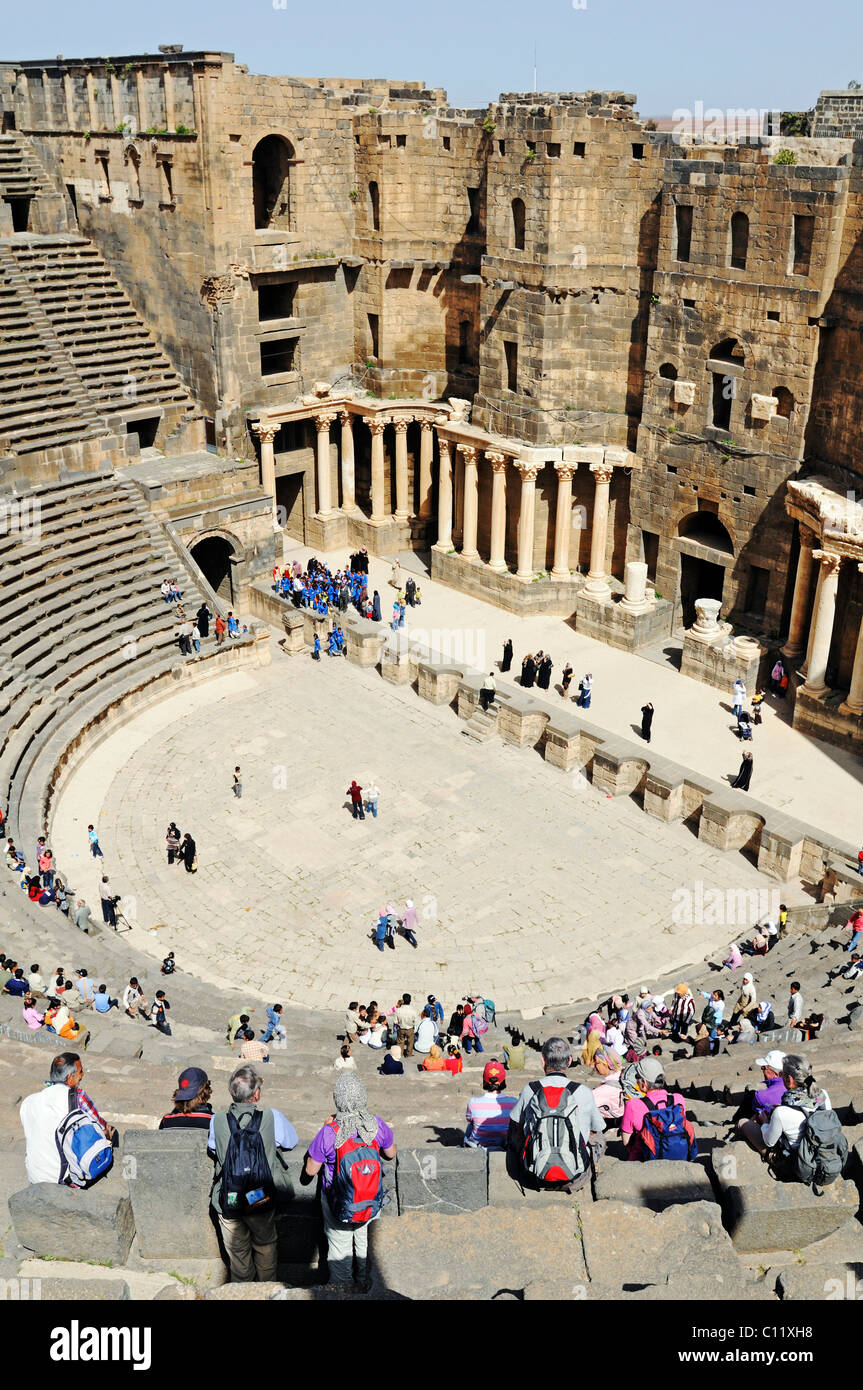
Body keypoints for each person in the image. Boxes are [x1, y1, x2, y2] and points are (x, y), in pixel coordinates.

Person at [302, 1074, 396, 1288]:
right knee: (366, 1242)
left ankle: (342, 1287)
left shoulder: (329, 1132)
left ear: (338, 1100)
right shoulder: (376, 1125)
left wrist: (324, 1128)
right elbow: (391, 1153)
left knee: (339, 1248)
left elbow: (310, 1170)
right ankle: (365, 1284)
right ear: (363, 1097)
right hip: (370, 1199)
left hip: (339, 1201)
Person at [208, 1065, 298, 1283]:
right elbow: (292, 1141)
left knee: (238, 1253)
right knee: (265, 1245)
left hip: (229, 1196)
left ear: (232, 1093)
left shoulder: (216, 1120)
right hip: (260, 1196)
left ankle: (242, 1290)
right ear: (256, 1094)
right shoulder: (271, 1117)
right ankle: (266, 1287)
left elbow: (214, 1150)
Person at [508, 1037, 604, 1191]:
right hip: (576, 1176)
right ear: (570, 1060)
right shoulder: (584, 1092)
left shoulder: (530, 1090)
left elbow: (516, 1127)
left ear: (542, 1061)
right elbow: (596, 1129)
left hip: (534, 1174)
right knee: (599, 1136)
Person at [20, 1052, 115, 1184]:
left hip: (34, 1176)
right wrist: (108, 1136)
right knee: (111, 1134)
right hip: (63, 1178)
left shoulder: (28, 1102)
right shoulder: (77, 1097)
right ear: (70, 1078)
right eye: (80, 1072)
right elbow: (101, 1128)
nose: (82, 1076)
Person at [738, 1054, 832, 1162]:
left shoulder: (781, 1112)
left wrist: (765, 1122)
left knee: (743, 1123)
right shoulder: (823, 1095)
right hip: (825, 1155)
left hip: (800, 1163)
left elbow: (769, 1142)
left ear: (789, 1079)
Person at [620, 1056, 696, 1162]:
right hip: (679, 1158)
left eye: (637, 1077)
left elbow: (626, 1141)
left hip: (644, 1161)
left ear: (644, 1082)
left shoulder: (633, 1105)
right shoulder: (678, 1099)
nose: (636, 1080)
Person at [463, 1060, 518, 1149]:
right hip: (504, 1144)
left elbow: (469, 1120)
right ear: (503, 1080)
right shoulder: (514, 1102)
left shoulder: (473, 1102)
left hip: (478, 1146)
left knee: (470, 1125)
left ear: (484, 1080)